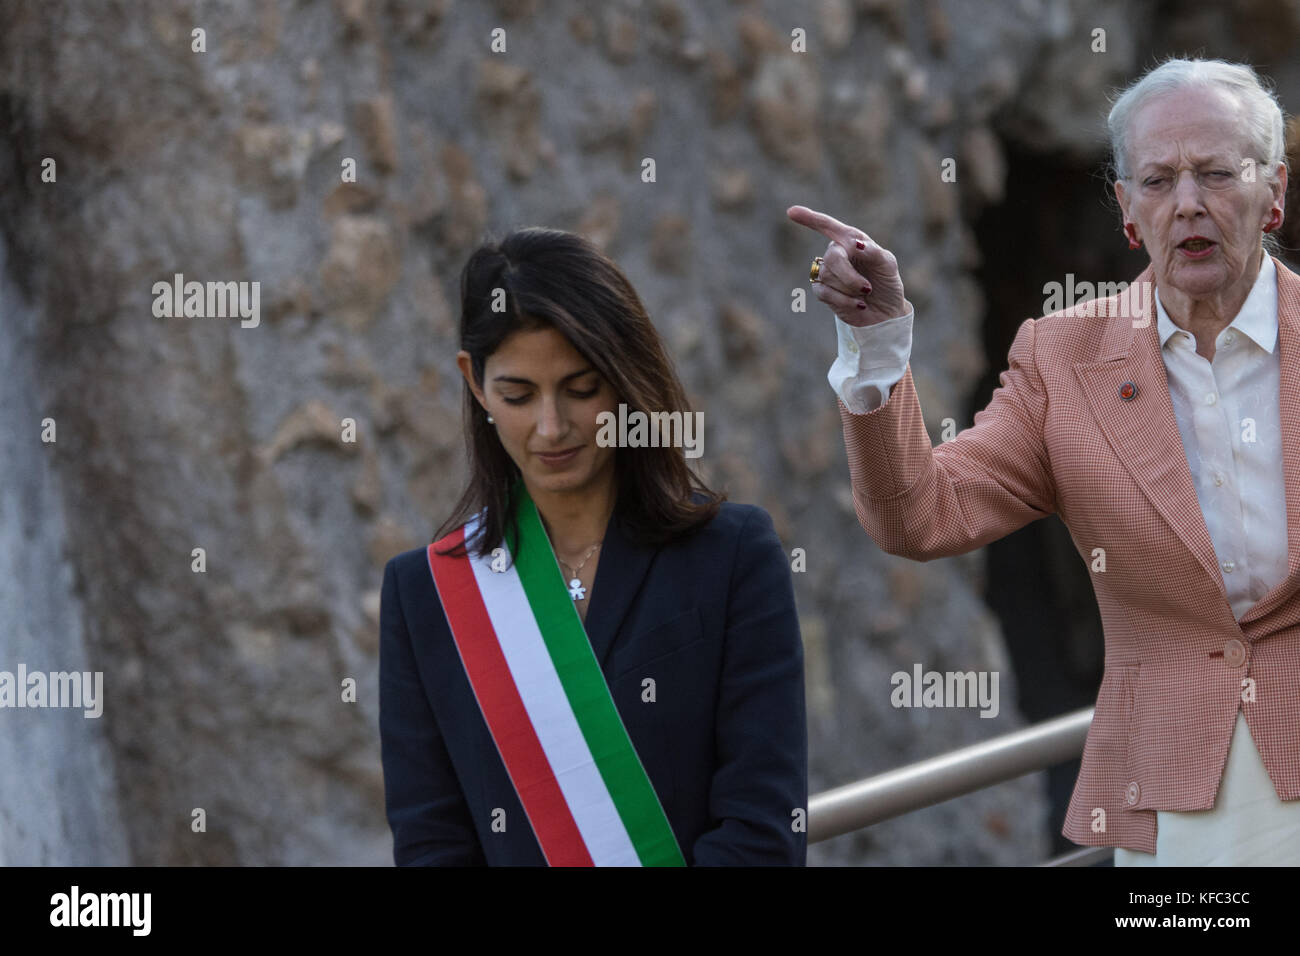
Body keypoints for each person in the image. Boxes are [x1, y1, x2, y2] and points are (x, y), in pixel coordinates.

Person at [790, 56, 1296, 864]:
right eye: (1159, 181)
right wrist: (877, 346)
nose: (1189, 203)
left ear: (1273, 192)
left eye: (1216, 173)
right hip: (1178, 803)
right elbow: (922, 514)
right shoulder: (1062, 359)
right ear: (1128, 211)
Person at [379, 226, 807, 865]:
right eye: (518, 395)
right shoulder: (426, 597)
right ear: (474, 382)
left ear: (625, 378)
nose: (551, 427)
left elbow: (763, 826)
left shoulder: (731, 555)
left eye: (581, 389)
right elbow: (432, 844)